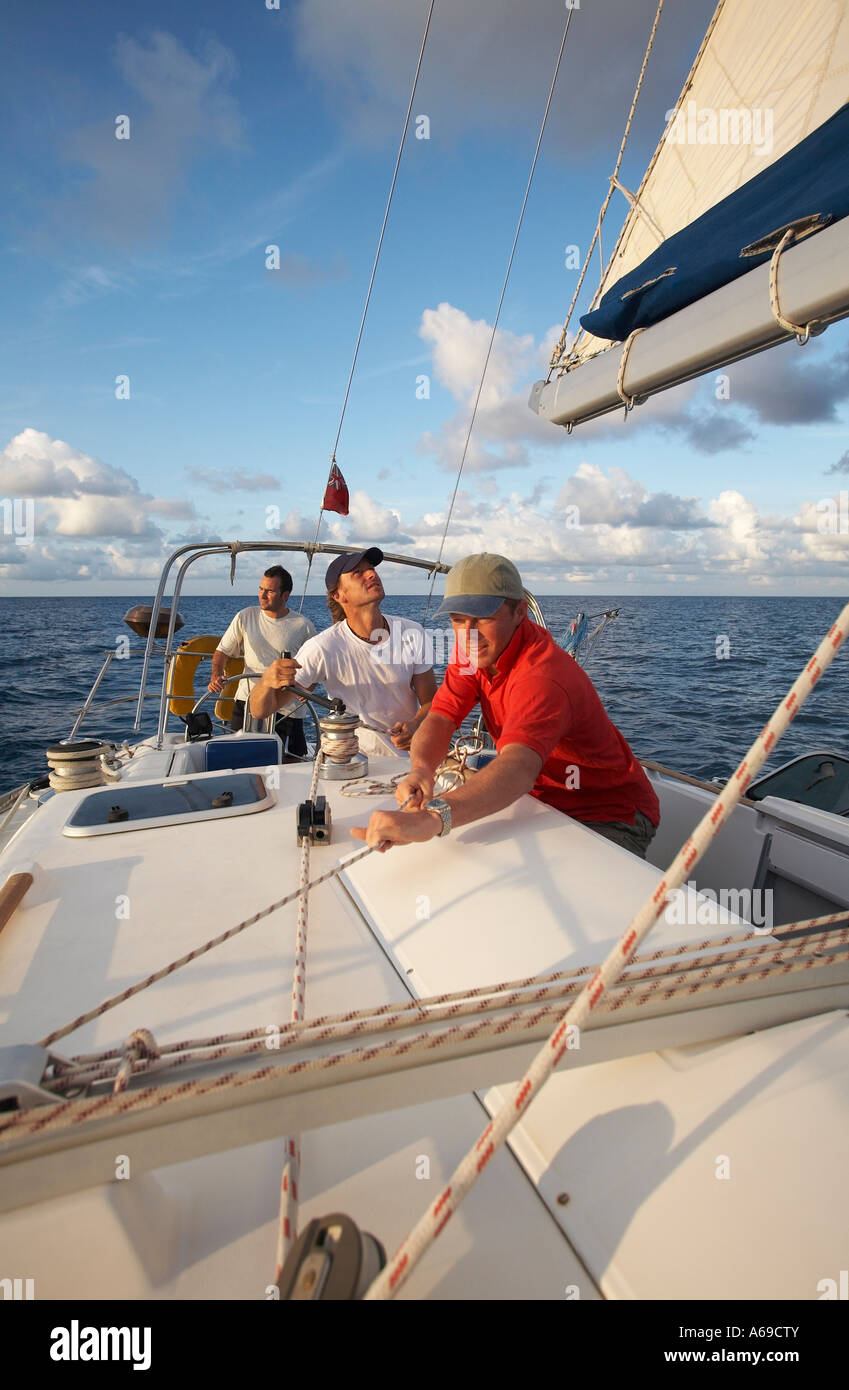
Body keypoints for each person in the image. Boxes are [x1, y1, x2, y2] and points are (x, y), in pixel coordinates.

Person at [350, 552, 660, 856]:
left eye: (484, 617)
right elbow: (442, 716)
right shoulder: (473, 650)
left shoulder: (542, 676)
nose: (469, 634)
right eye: (458, 620)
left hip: (609, 814)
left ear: (520, 612)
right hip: (541, 801)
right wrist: (420, 771)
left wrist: (433, 819)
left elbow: (518, 766)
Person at [250, 547, 437, 757]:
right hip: (351, 761)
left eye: (371, 569)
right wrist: (267, 681)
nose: (372, 574)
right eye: (358, 573)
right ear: (339, 595)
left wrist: (415, 724)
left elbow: (431, 702)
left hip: (408, 760)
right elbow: (260, 710)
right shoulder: (323, 646)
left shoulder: (412, 633)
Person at [209, 565, 315, 756]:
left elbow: (315, 665)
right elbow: (222, 651)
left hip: (287, 707)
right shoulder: (245, 616)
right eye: (261, 589)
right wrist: (216, 675)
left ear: (285, 595)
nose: (262, 595)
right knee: (236, 756)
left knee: (289, 761)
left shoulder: (303, 626)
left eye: (270, 591)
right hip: (247, 700)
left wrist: (308, 688)